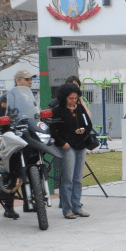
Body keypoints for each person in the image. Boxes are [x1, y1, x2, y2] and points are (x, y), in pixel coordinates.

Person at [0, 70, 38, 219]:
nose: (30, 82)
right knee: (12, 172)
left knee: (30, 169)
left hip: (27, 138)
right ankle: (8, 207)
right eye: (27, 79)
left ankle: (29, 202)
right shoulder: (8, 96)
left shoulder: (30, 97)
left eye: (30, 79)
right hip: (13, 139)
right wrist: (9, 131)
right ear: (18, 81)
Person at [51, 83, 92, 219]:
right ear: (64, 98)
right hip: (68, 147)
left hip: (81, 145)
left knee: (78, 179)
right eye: (71, 98)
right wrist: (62, 143)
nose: (73, 101)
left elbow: (88, 124)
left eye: (75, 98)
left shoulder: (80, 108)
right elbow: (53, 130)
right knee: (68, 179)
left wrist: (83, 130)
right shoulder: (58, 111)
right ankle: (67, 208)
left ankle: (77, 206)